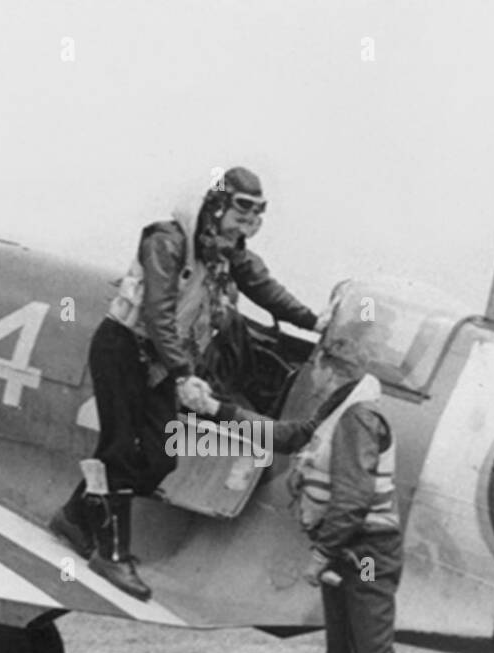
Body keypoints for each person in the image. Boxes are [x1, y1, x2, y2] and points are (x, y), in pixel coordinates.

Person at [197, 322, 437, 653]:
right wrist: (217, 411)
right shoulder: (339, 410)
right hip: (351, 550)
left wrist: (322, 553)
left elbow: (353, 497)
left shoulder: (357, 419)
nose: (312, 375)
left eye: (318, 365)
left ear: (332, 368)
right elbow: (290, 437)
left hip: (366, 555)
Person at [49, 166, 319, 600]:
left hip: (161, 363)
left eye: (248, 224)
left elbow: (263, 287)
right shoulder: (167, 241)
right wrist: (184, 375)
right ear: (213, 210)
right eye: (236, 218)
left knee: (159, 460)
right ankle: (111, 554)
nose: (240, 233)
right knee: (120, 450)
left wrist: (314, 321)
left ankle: (74, 518)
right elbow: (159, 313)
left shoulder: (224, 253)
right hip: (124, 348)